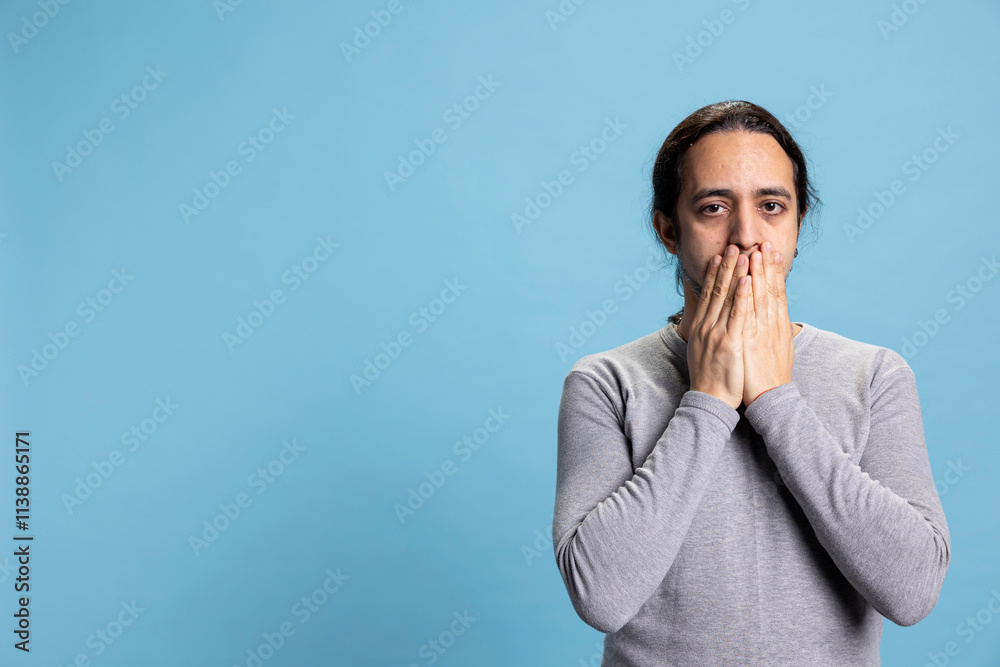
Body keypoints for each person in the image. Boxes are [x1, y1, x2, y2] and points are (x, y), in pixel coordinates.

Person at [552, 100, 950, 665]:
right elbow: (601, 597)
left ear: (798, 224)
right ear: (668, 230)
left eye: (771, 206)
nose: (746, 235)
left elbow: (913, 593)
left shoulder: (875, 376)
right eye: (714, 207)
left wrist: (775, 400)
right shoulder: (604, 383)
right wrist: (708, 399)